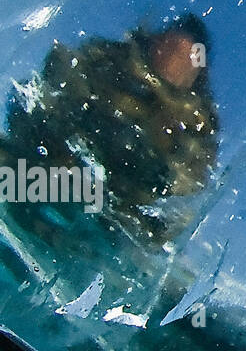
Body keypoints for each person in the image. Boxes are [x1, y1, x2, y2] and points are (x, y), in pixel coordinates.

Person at [0, 15, 219, 250]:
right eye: (169, 44)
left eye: (185, 55)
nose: (172, 56)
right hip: (45, 165)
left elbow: (187, 188)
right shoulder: (108, 58)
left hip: (108, 220)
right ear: (159, 40)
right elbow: (57, 77)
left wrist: (153, 171)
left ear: (198, 69)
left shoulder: (196, 123)